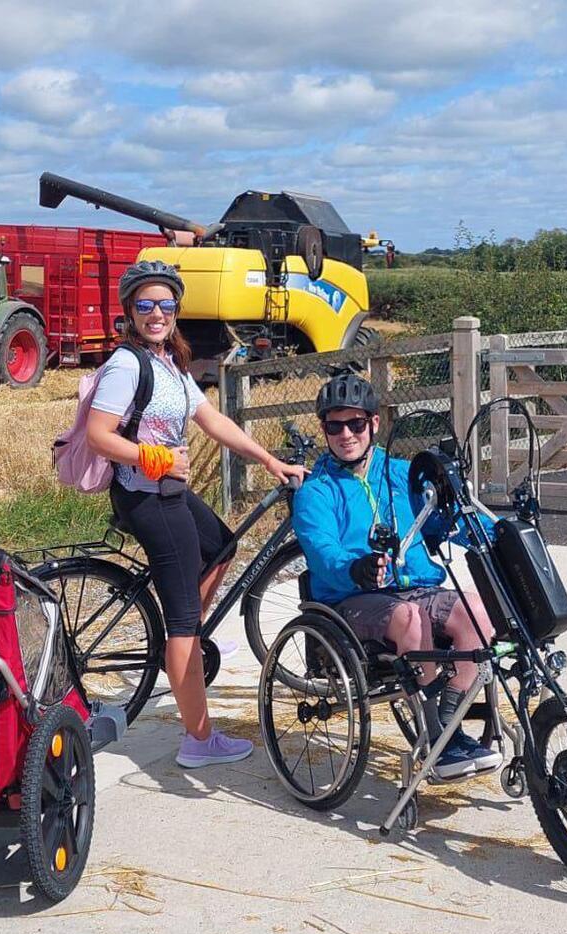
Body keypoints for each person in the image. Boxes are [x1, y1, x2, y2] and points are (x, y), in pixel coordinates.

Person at [84, 261, 307, 768]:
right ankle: (198, 739)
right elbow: (101, 434)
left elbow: (212, 420)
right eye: (145, 305)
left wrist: (269, 460)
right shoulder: (127, 365)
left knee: (221, 546)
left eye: (165, 305)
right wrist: (154, 456)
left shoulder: (169, 363)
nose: (156, 313)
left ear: (177, 310)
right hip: (149, 497)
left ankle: (185, 636)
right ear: (130, 312)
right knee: (182, 622)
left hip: (170, 491)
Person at [290, 375, 501, 780]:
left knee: (476, 610)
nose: (346, 435)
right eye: (334, 426)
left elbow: (451, 520)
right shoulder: (315, 492)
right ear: (324, 430)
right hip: (351, 600)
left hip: (418, 586)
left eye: (355, 424)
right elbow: (323, 551)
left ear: (373, 424)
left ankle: (449, 729)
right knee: (408, 618)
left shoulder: (404, 475)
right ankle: (436, 735)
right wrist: (356, 566)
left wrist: (501, 532)